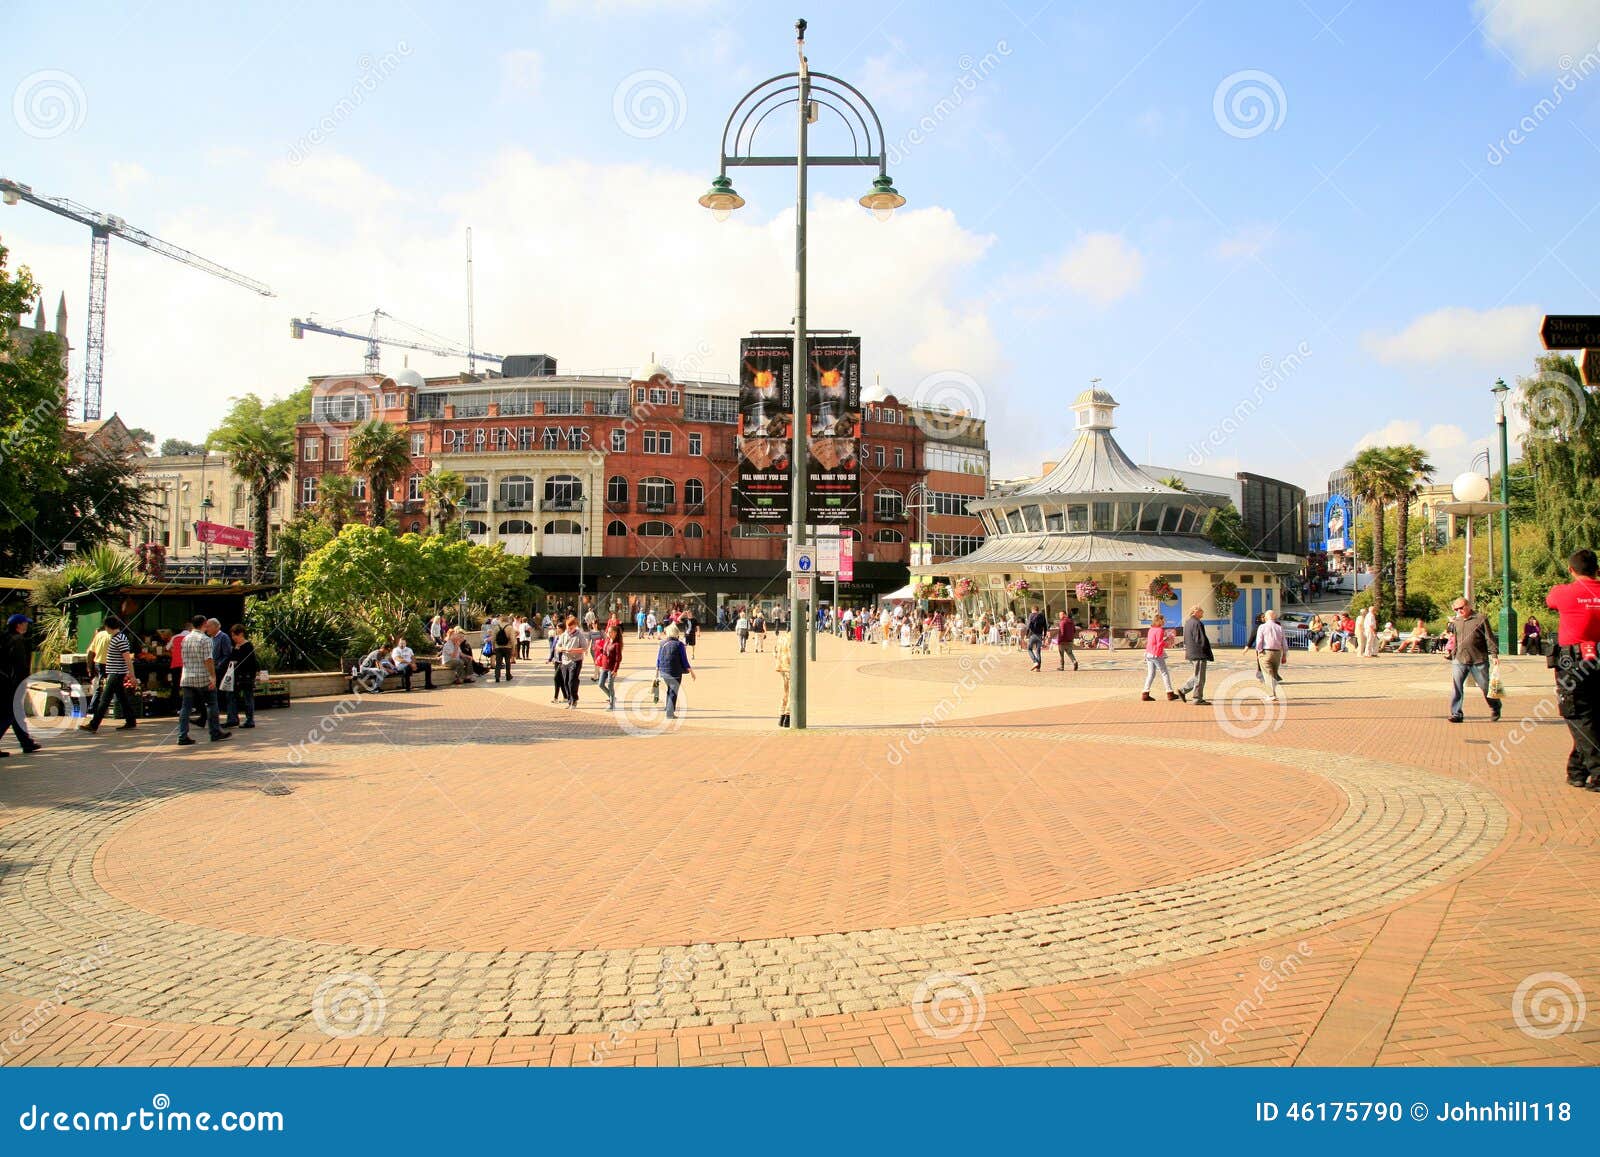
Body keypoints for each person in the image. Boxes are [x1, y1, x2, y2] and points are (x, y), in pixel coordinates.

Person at [1545, 548, 1600, 791]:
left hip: (1573, 663)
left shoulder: (1564, 593)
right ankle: (1576, 771)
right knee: (1592, 716)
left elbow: (1550, 601)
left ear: (1571, 569)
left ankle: (1597, 771)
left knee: (1577, 714)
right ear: (1597, 570)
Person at [1446, 596, 1500, 723]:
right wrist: (1452, 653)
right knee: (1457, 687)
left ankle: (1495, 706)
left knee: (1485, 686)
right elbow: (1456, 639)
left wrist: (1494, 655)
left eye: (1461, 608)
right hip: (1460, 659)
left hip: (1478, 659)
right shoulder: (1457, 621)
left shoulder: (1480, 618)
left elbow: (1489, 637)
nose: (1459, 611)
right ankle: (1456, 713)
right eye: (1456, 609)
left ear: (1468, 606)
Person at [177, 615, 230, 745]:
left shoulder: (185, 639)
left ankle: (182, 735)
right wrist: (213, 676)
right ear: (205, 624)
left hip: (187, 676)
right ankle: (215, 732)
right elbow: (208, 660)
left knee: (186, 707)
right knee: (212, 704)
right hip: (202, 677)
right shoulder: (205, 640)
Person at [80, 615, 138, 734]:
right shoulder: (118, 637)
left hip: (116, 673)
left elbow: (127, 659)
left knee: (105, 699)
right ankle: (131, 720)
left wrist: (132, 675)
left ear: (107, 626)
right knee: (122, 697)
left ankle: (94, 724)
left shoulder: (119, 639)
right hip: (116, 672)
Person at [0, 614, 42, 755]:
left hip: (5, 682)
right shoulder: (17, 641)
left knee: (16, 714)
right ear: (19, 625)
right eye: (25, 623)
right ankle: (26, 743)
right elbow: (20, 665)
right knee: (9, 715)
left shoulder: (4, 638)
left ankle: (26, 743)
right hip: (13, 684)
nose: (27, 626)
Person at [1175, 604, 1213, 705]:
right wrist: (1206, 651)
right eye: (1201, 611)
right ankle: (1197, 698)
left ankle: (1183, 690)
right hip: (1198, 653)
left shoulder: (1188, 622)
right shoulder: (1197, 623)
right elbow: (1200, 639)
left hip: (1191, 652)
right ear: (1195, 611)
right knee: (1200, 677)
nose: (1203, 613)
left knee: (1197, 675)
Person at [655, 623, 694, 719]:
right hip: (675, 671)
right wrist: (692, 672)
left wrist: (656, 672)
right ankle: (669, 713)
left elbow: (658, 659)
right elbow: (684, 660)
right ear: (676, 633)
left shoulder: (662, 643)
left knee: (670, 689)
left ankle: (668, 707)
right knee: (673, 691)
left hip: (663, 671)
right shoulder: (679, 644)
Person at [1141, 613, 1177, 701]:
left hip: (1149, 653)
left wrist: (1163, 641)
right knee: (1164, 673)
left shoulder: (1151, 629)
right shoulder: (1160, 630)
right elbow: (1159, 643)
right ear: (1159, 620)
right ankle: (1170, 693)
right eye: (1163, 620)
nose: (1164, 621)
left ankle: (1145, 693)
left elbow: (1152, 641)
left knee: (1151, 674)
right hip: (1156, 654)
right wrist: (1168, 642)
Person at [1256, 609, 1287, 701]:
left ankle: (1271, 695)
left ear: (1266, 617)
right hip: (1277, 652)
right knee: (1273, 673)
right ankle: (1272, 693)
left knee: (1267, 674)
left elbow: (1259, 641)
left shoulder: (1262, 627)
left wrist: (1259, 651)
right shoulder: (1279, 627)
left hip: (1266, 651)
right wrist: (1284, 654)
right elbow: (1284, 642)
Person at [555, 615, 586, 708]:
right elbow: (557, 647)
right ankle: (569, 700)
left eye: (571, 628)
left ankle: (574, 700)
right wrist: (562, 649)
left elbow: (584, 648)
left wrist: (573, 650)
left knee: (572, 681)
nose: (569, 630)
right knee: (565, 682)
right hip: (565, 661)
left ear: (575, 626)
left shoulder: (579, 634)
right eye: (568, 627)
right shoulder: (564, 634)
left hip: (576, 660)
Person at [595, 621, 624, 710]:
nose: (608, 633)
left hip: (611, 668)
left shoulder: (617, 644)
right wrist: (598, 648)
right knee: (600, 684)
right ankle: (613, 698)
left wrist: (615, 670)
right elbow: (605, 652)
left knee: (610, 686)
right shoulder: (607, 641)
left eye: (610, 632)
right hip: (604, 667)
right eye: (608, 632)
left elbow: (618, 658)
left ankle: (612, 705)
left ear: (615, 633)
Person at [775, 626, 792, 727]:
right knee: (792, 692)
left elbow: (775, 651)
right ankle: (788, 716)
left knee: (785, 691)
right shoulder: (793, 639)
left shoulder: (781, 638)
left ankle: (781, 716)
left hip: (781, 666)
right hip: (790, 667)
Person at [1025, 603, 1047, 671]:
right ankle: (1038, 668)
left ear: (1032, 610)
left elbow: (1028, 625)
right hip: (1040, 635)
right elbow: (1045, 626)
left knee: (1029, 649)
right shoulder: (1042, 616)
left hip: (1033, 635)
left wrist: (1026, 634)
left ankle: (1035, 662)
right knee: (1038, 651)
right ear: (1038, 610)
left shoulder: (1031, 615)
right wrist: (1044, 635)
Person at [491, 616, 514, 683]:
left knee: (498, 663)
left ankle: (497, 676)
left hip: (498, 647)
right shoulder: (510, 627)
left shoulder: (496, 627)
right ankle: (508, 675)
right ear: (507, 620)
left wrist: (493, 647)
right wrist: (513, 649)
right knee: (507, 662)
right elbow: (512, 639)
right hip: (508, 647)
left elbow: (493, 638)